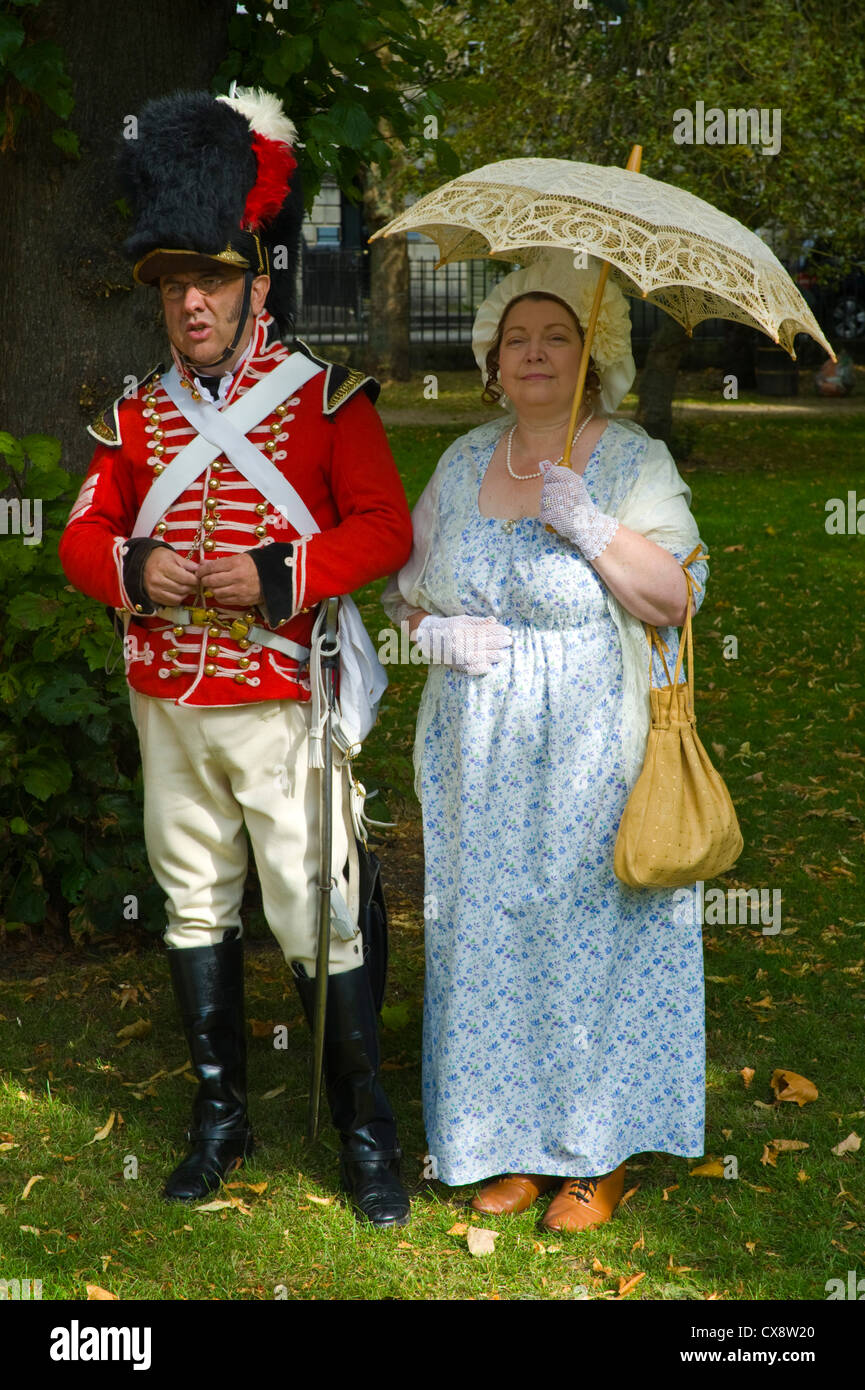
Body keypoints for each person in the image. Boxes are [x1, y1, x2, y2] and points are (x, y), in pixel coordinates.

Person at [59, 88, 413, 1228]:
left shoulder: (323, 398)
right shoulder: (133, 418)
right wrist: (130, 569)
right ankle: (221, 1115)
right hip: (169, 703)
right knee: (192, 904)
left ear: (255, 281)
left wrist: (279, 576)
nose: (190, 303)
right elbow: (79, 535)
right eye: (172, 287)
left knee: (318, 912)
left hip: (277, 704)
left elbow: (382, 527)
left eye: (207, 280)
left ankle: (365, 1130)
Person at [382, 250, 709, 1231]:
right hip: (472, 751)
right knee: (485, 938)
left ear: (592, 355)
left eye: (555, 336)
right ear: (490, 360)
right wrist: (431, 630)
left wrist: (595, 528)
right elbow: (402, 584)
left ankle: (594, 1155)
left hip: (591, 746)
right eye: (514, 337)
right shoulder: (460, 460)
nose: (532, 352)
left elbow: (677, 595)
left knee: (588, 940)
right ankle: (509, 1142)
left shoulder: (631, 458)